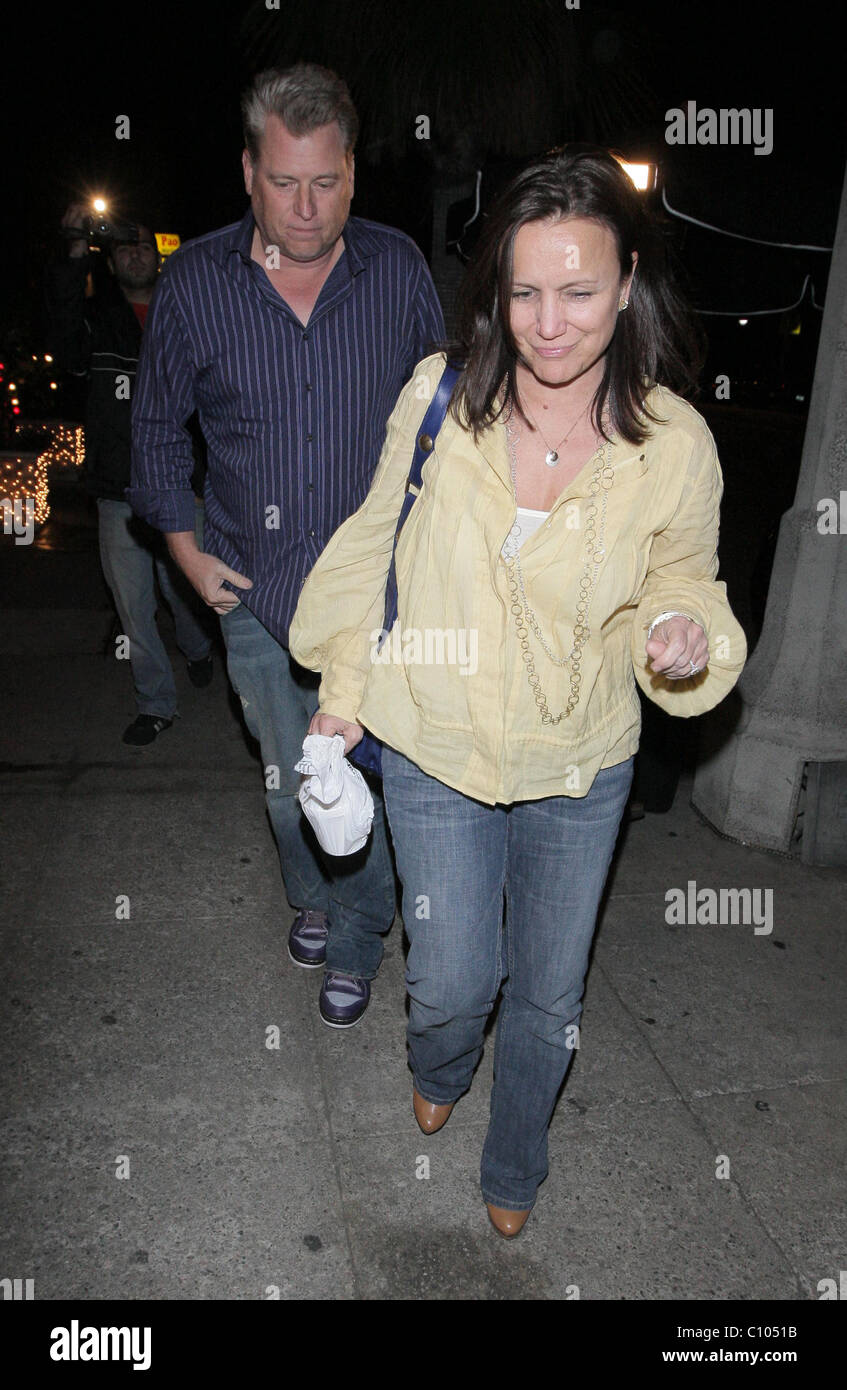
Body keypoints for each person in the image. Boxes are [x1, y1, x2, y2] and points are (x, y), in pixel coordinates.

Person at [289, 146, 747, 1236]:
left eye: (579, 290)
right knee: (451, 981)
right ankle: (439, 1057)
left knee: (547, 997)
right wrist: (342, 694)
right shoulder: (440, 398)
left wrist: (684, 635)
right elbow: (375, 550)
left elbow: (688, 580)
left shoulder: (676, 444)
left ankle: (515, 1165)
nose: (549, 322)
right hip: (434, 739)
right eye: (524, 290)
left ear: (627, 280)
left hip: (578, 759)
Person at [129, 64, 444, 1028]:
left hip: (376, 601)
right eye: (282, 183)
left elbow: (447, 421)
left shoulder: (396, 271)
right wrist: (185, 556)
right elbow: (153, 433)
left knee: (358, 780)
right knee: (287, 784)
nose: (304, 210)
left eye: (325, 182)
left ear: (353, 174)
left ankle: (355, 936)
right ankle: (311, 890)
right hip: (256, 594)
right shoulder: (192, 284)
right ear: (247, 173)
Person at [45, 207, 213, 746]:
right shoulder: (99, 320)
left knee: (184, 590)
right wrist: (75, 254)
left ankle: (199, 649)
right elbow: (66, 342)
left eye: (144, 245)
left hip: (180, 485)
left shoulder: (184, 313)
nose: (135, 252)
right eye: (123, 247)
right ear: (112, 263)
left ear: (159, 257)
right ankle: (156, 703)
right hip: (117, 491)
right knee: (134, 607)